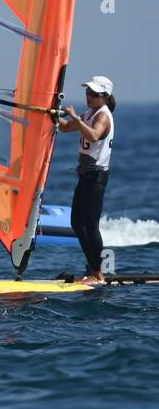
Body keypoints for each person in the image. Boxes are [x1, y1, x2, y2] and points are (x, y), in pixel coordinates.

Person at [59, 76, 116, 285]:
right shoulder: (90, 113)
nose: (88, 96)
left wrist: (78, 118)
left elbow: (93, 135)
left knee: (90, 226)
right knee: (76, 223)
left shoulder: (102, 116)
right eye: (87, 92)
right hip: (85, 176)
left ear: (105, 96)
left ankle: (98, 273)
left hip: (96, 177)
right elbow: (66, 128)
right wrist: (53, 114)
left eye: (93, 94)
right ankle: (94, 269)